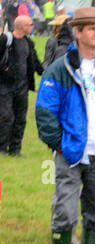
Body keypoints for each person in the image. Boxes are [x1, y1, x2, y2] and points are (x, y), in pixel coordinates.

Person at [34, 6, 95, 244]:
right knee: (64, 211)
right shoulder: (58, 70)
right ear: (78, 32)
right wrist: (60, 144)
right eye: (92, 29)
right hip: (71, 153)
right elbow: (44, 111)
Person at [0, 13, 41, 155]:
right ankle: (1, 148)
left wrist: (46, 72)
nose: (32, 26)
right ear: (22, 26)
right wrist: (3, 69)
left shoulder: (29, 42)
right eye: (30, 24)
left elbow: (35, 62)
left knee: (20, 119)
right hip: (5, 86)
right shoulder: (6, 39)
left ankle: (15, 149)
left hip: (22, 87)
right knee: (6, 117)